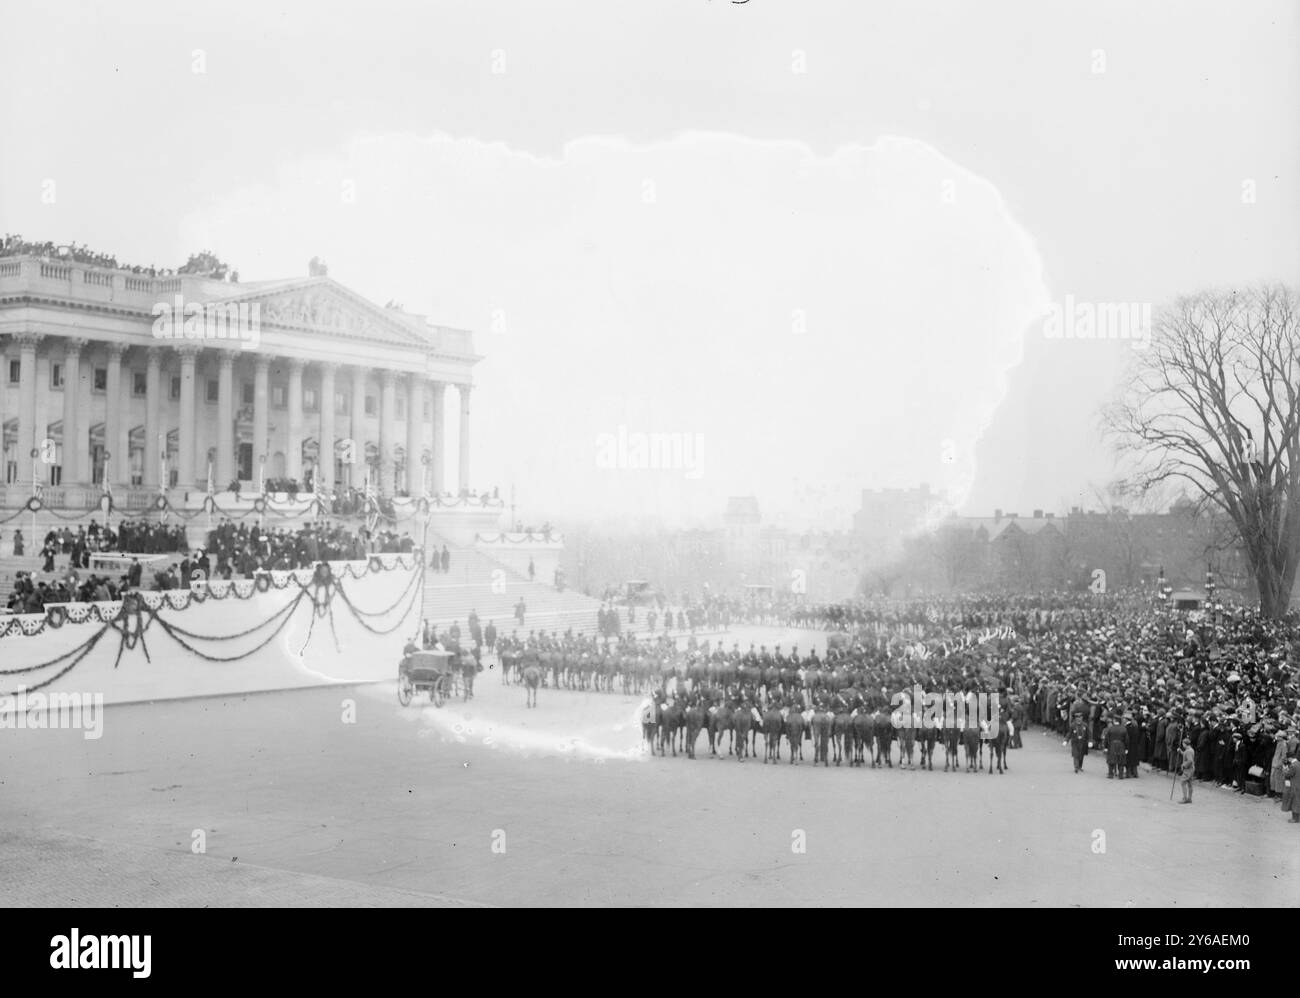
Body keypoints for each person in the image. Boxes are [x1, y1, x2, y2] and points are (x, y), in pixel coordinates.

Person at [1179, 737, 1196, 804]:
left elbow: (1190, 760)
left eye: (1183, 744)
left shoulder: (1188, 751)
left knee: (1183, 782)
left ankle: (1185, 798)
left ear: (1185, 744)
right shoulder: (1190, 750)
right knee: (1190, 784)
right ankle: (1189, 798)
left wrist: (1183, 765)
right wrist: (1181, 752)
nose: (1182, 745)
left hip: (1188, 769)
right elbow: (1186, 755)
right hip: (1191, 769)